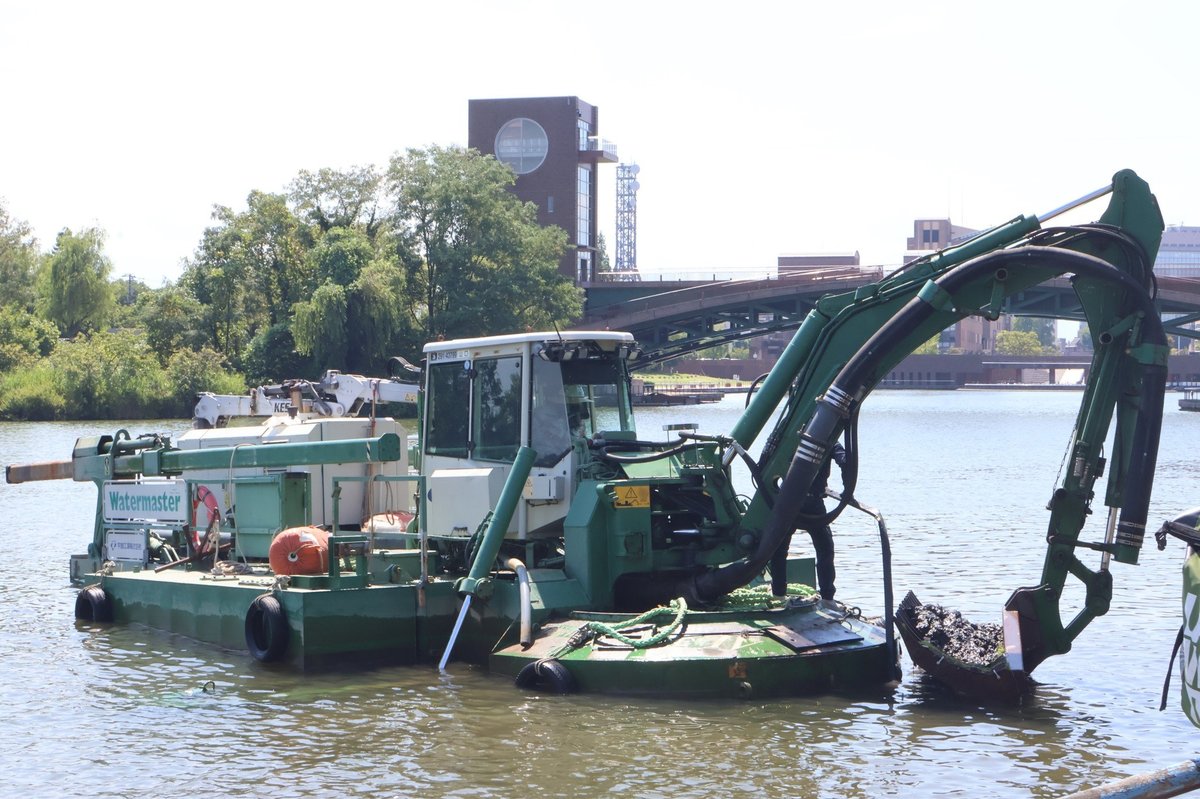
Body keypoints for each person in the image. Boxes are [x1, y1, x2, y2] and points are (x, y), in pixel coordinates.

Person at [770, 442, 846, 600]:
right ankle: (827, 598)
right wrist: (847, 489)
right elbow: (845, 461)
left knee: (779, 549)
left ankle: (778, 594)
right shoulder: (829, 440)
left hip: (788, 500)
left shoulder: (792, 437)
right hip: (813, 503)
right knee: (825, 550)